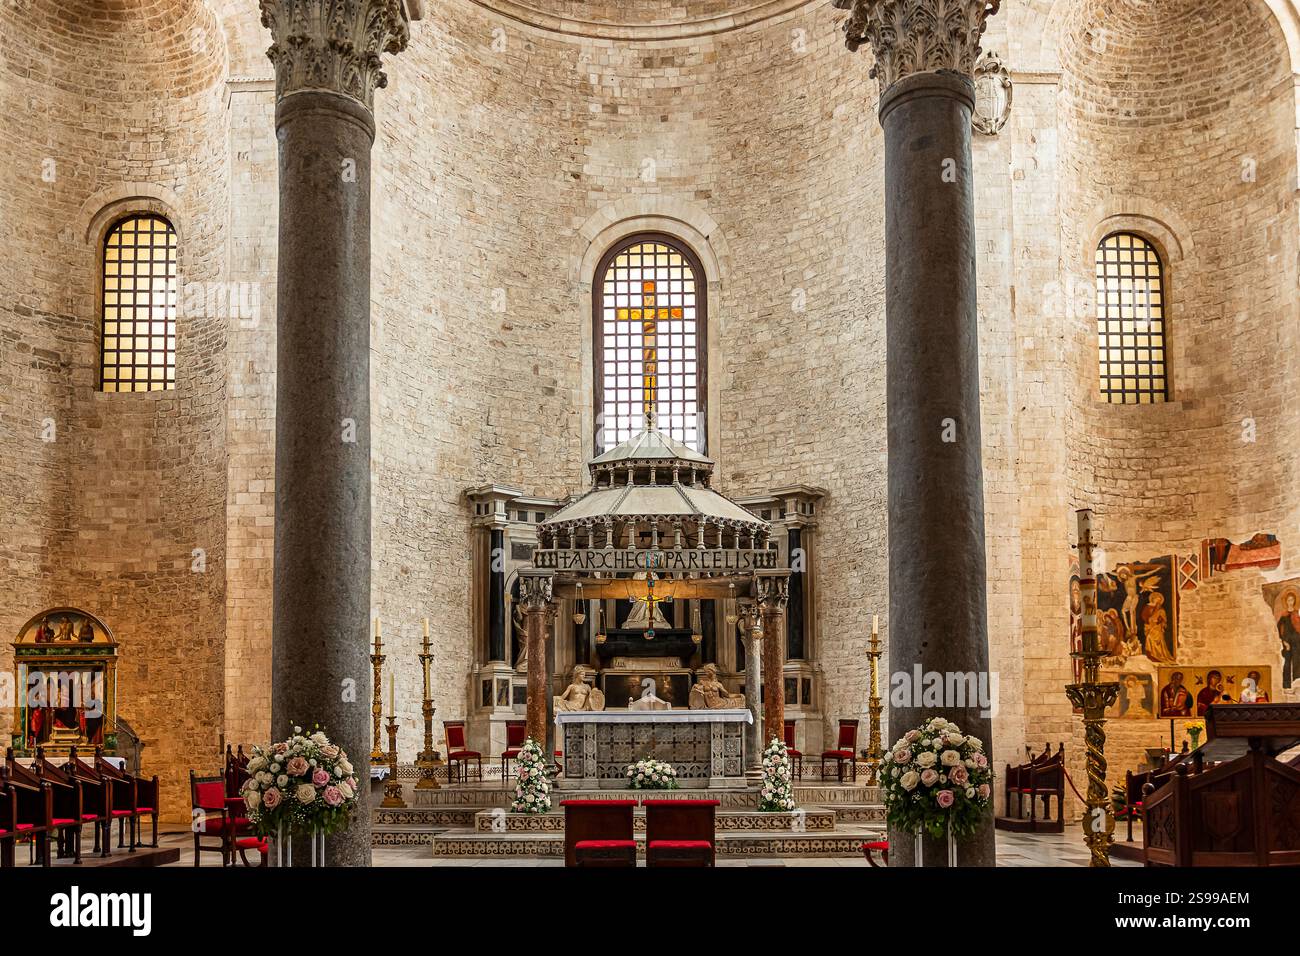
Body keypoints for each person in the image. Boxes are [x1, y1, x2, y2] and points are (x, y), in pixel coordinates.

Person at [1277, 592, 1299, 688]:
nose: (1290, 602)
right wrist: (1284, 641)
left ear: (1294, 601)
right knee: (1287, 664)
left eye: (1292, 600)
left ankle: (1296, 683)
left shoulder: (1297, 613)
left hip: (1297, 642)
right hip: (1287, 642)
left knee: (1297, 662)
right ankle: (1286, 685)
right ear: (1286, 602)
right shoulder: (1284, 615)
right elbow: (1279, 629)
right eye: (1288, 600)